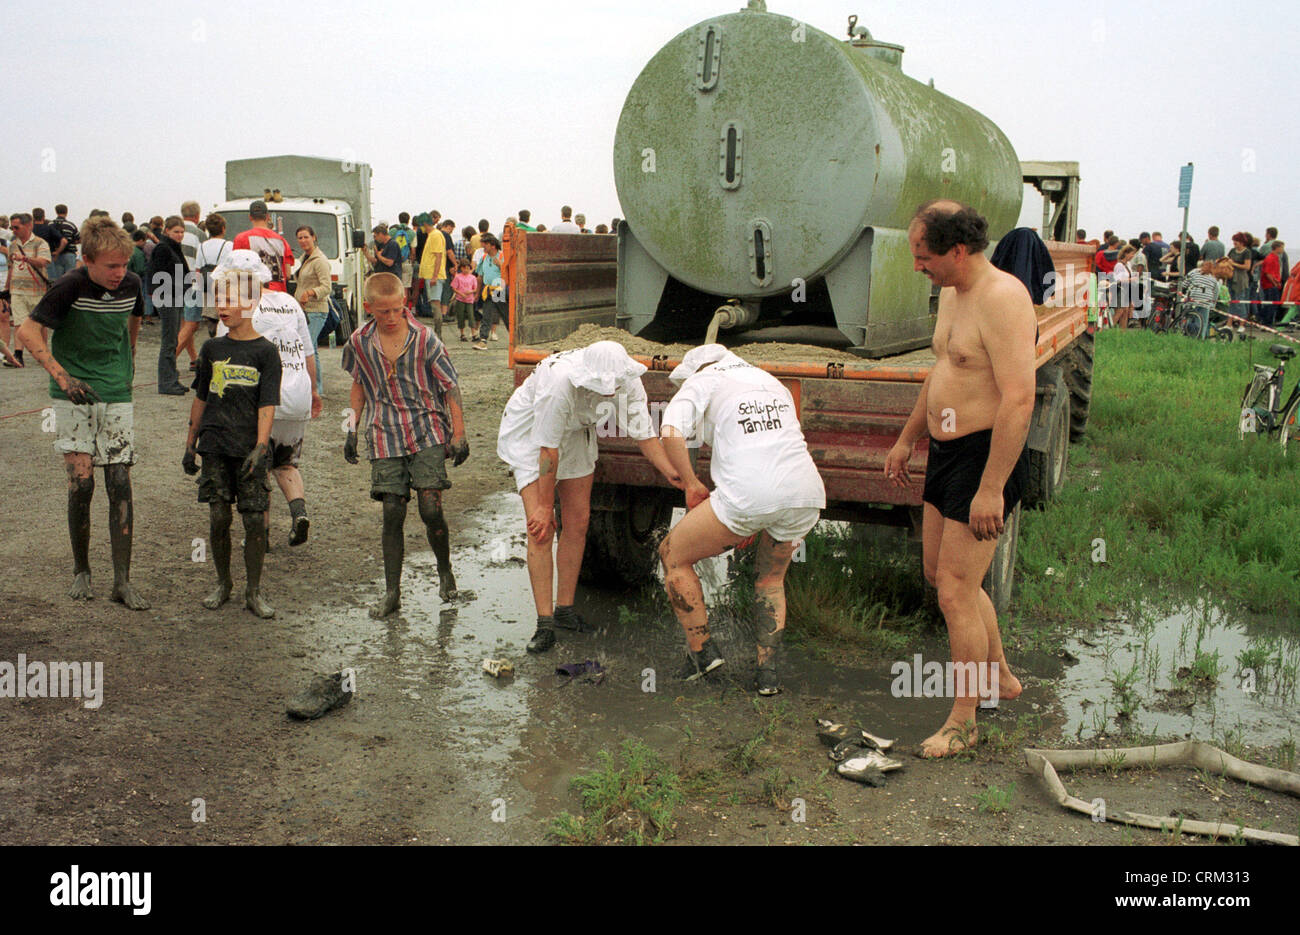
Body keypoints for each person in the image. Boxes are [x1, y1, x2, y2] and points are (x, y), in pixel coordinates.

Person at [885, 199, 1032, 758]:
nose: (917, 266)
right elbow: (943, 371)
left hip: (983, 456)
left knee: (954, 591)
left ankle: (964, 720)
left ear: (958, 251)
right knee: (940, 576)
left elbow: (1020, 398)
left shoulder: (1003, 299)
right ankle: (999, 677)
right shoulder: (950, 292)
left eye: (924, 256)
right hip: (945, 451)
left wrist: (992, 486)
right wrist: (907, 438)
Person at [657, 345, 825, 694]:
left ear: (696, 369)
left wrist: (690, 484)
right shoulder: (768, 381)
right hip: (805, 491)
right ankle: (768, 675)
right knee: (771, 579)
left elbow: (670, 431)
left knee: (673, 555)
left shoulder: (701, 381)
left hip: (748, 495)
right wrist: (752, 520)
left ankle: (702, 654)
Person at [497, 340, 681, 653]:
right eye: (602, 386)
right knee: (541, 529)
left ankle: (565, 611)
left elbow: (646, 437)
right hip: (533, 435)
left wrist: (678, 477)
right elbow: (547, 452)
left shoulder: (627, 379)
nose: (609, 392)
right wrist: (543, 507)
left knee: (578, 522)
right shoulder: (559, 383)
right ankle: (544, 625)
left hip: (576, 430)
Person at [16, 217, 149, 609]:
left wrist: (129, 363)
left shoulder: (132, 284)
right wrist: (62, 376)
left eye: (123, 264)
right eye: (111, 265)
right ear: (87, 260)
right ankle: (82, 570)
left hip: (116, 391)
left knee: (120, 483)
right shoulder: (70, 284)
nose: (119, 272)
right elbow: (26, 331)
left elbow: (134, 321)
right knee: (83, 484)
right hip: (73, 392)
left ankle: (122, 580)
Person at [341, 272, 469, 618]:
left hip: (427, 428)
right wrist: (350, 428)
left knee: (430, 508)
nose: (393, 317)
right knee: (392, 511)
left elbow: (450, 387)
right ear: (368, 308)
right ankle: (392, 592)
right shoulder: (359, 341)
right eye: (384, 312)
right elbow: (358, 386)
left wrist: (459, 433)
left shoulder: (426, 339)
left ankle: (445, 571)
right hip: (385, 433)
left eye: (398, 310)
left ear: (405, 305)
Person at [184, 260, 282, 618]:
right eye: (219, 300)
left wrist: (260, 447)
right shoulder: (211, 349)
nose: (222, 308)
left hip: (249, 448)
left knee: (255, 519)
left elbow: (268, 403)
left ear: (252, 302)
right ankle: (223, 583)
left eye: (230, 300)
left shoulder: (266, 353)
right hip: (214, 444)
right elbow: (201, 397)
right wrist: (189, 443)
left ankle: (253, 591)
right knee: (218, 517)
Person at [214, 250, 322, 547]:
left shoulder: (238, 306)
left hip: (260, 400)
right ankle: (298, 512)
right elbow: (308, 351)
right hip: (296, 392)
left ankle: (259, 538)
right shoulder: (288, 302)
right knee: (286, 464)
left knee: (257, 466)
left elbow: (227, 356)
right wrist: (312, 391)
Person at [147, 215, 190, 395]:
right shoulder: (164, 248)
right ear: (166, 231)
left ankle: (171, 378)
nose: (179, 235)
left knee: (172, 340)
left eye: (181, 232)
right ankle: (166, 381)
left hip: (175, 296)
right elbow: (156, 274)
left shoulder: (173, 248)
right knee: (169, 340)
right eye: (176, 232)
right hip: (168, 297)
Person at [2, 213, 52, 367]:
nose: (14, 230)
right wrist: (7, 289)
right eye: (11, 227)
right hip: (17, 290)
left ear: (29, 225)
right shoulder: (13, 245)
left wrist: (26, 259)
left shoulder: (40, 243)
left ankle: (43, 352)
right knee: (19, 323)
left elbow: (43, 262)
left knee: (39, 323)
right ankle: (18, 354)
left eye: (16, 227)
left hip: (37, 290)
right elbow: (11, 268)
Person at [232, 200, 293, 291]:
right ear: (268, 217)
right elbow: (287, 274)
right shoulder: (282, 241)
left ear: (250, 217)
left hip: (252, 294)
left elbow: (236, 271)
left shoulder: (241, 238)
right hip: (277, 295)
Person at [193, 213, 232, 340]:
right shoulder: (229, 245)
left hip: (207, 284)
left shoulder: (201, 246)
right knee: (225, 316)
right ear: (223, 228)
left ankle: (213, 337)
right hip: (224, 284)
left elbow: (197, 268)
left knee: (211, 316)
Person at [472, 234, 505, 349]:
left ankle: (514, 339)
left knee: (504, 314)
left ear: (493, 245)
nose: (483, 247)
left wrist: (501, 265)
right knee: (487, 314)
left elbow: (510, 274)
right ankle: (483, 340)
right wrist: (477, 293)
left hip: (500, 289)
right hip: (488, 289)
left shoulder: (502, 256)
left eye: (485, 244)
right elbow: (480, 276)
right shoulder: (484, 258)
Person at [1179, 260, 1221, 338]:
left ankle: (1187, 334)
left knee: (1189, 317)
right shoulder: (1213, 279)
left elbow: (1184, 284)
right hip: (1206, 302)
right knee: (1203, 322)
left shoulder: (1194, 272)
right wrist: (1213, 304)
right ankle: (1201, 337)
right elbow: (1216, 292)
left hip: (1193, 298)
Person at [48, 205, 81, 282]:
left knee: (57, 281)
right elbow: (79, 239)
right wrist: (72, 241)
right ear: (66, 212)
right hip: (69, 254)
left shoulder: (50, 225)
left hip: (55, 255)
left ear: (56, 212)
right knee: (70, 280)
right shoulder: (70, 225)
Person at [449, 259, 477, 342]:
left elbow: (475, 288)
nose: (466, 270)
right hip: (460, 299)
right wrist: (461, 294)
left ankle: (473, 333)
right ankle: (462, 334)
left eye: (468, 268)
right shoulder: (458, 277)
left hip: (469, 300)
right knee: (460, 316)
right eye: (464, 268)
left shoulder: (472, 277)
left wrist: (470, 292)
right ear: (461, 268)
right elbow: (454, 287)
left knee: (471, 316)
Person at [1110, 244, 1136, 329]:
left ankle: (1123, 332)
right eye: (1131, 254)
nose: (1132, 256)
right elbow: (1118, 280)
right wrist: (1131, 280)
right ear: (1126, 253)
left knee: (1125, 312)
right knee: (1119, 311)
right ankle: (1109, 329)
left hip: (1127, 290)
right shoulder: (1119, 265)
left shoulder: (1128, 264)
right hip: (1120, 290)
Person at [1227, 233, 1253, 305]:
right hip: (1231, 276)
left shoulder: (1247, 252)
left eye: (1236, 241)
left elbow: (1247, 267)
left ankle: (1241, 315)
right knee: (1231, 299)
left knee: (1239, 299)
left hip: (1240, 278)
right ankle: (1231, 315)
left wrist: (1234, 264)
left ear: (1242, 242)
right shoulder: (1232, 250)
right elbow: (1228, 259)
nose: (1234, 243)